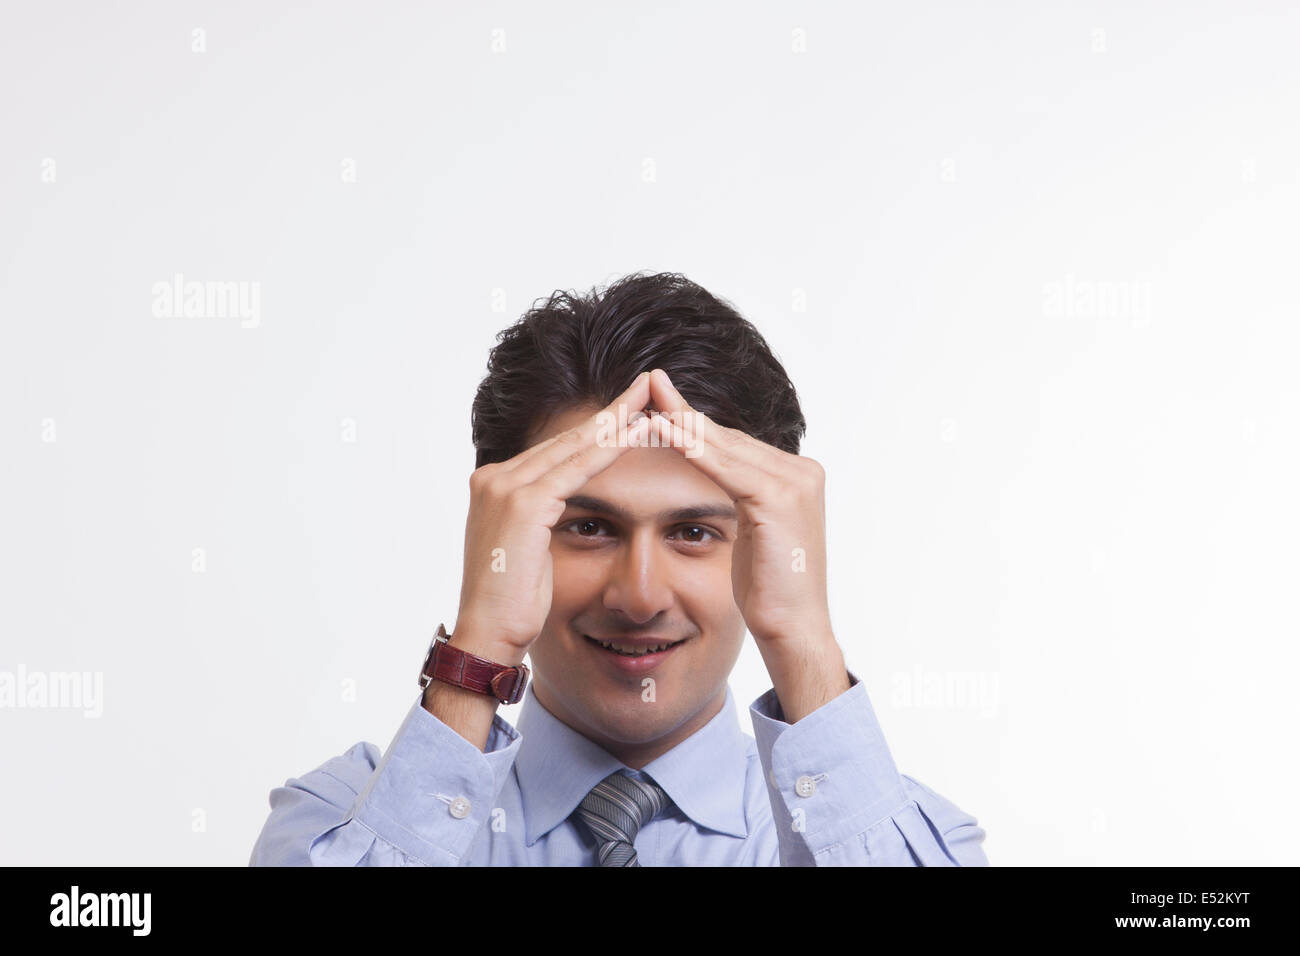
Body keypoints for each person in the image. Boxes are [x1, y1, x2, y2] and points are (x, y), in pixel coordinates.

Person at [249, 272, 989, 866]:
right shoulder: (337, 821)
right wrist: (476, 655)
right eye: (588, 526)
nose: (639, 596)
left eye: (694, 531)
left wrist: (804, 644)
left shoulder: (905, 838)